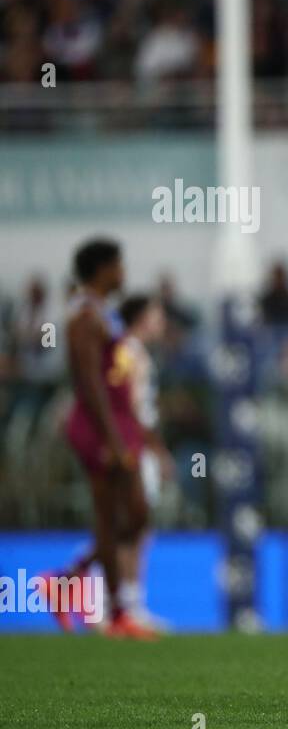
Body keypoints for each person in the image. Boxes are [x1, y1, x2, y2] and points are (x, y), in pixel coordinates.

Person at [48, 238, 154, 638]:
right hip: (99, 427)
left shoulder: (102, 314)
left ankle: (70, 580)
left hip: (116, 424)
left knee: (135, 514)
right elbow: (88, 381)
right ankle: (117, 611)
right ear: (102, 269)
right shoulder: (84, 318)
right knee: (113, 516)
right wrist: (111, 437)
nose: (124, 273)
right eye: (118, 265)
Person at [117, 293, 173, 631]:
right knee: (135, 525)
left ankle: (126, 602)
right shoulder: (130, 354)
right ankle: (127, 604)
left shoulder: (131, 353)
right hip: (134, 448)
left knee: (134, 525)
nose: (161, 323)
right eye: (156, 316)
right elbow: (133, 410)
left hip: (133, 445)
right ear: (141, 318)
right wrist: (157, 451)